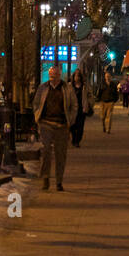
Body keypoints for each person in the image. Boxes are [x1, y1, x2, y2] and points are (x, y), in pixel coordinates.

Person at [33, 62, 78, 191]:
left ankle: (59, 181)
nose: (53, 78)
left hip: (62, 125)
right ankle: (45, 177)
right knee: (46, 151)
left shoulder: (67, 88)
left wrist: (71, 119)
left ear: (60, 75)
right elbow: (36, 103)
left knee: (61, 154)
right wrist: (37, 117)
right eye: (51, 75)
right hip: (46, 123)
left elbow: (74, 105)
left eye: (56, 75)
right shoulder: (43, 88)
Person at [69, 68, 93, 146]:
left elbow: (90, 96)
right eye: (76, 76)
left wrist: (90, 104)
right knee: (72, 125)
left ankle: (77, 141)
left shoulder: (85, 86)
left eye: (79, 76)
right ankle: (74, 138)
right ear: (73, 77)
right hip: (72, 109)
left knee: (80, 126)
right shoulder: (70, 86)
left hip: (82, 109)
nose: (77, 78)